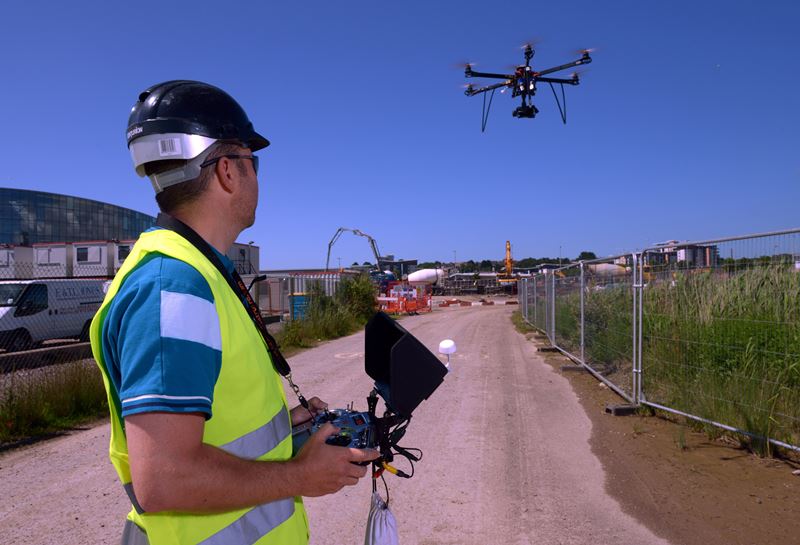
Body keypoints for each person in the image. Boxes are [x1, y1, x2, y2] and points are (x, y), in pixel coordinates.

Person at [89, 80, 378, 545]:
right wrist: (298, 476)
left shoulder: (200, 271)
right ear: (227, 171)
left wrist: (284, 429)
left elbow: (212, 422)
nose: (255, 175)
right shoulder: (174, 288)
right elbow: (166, 478)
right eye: (252, 161)